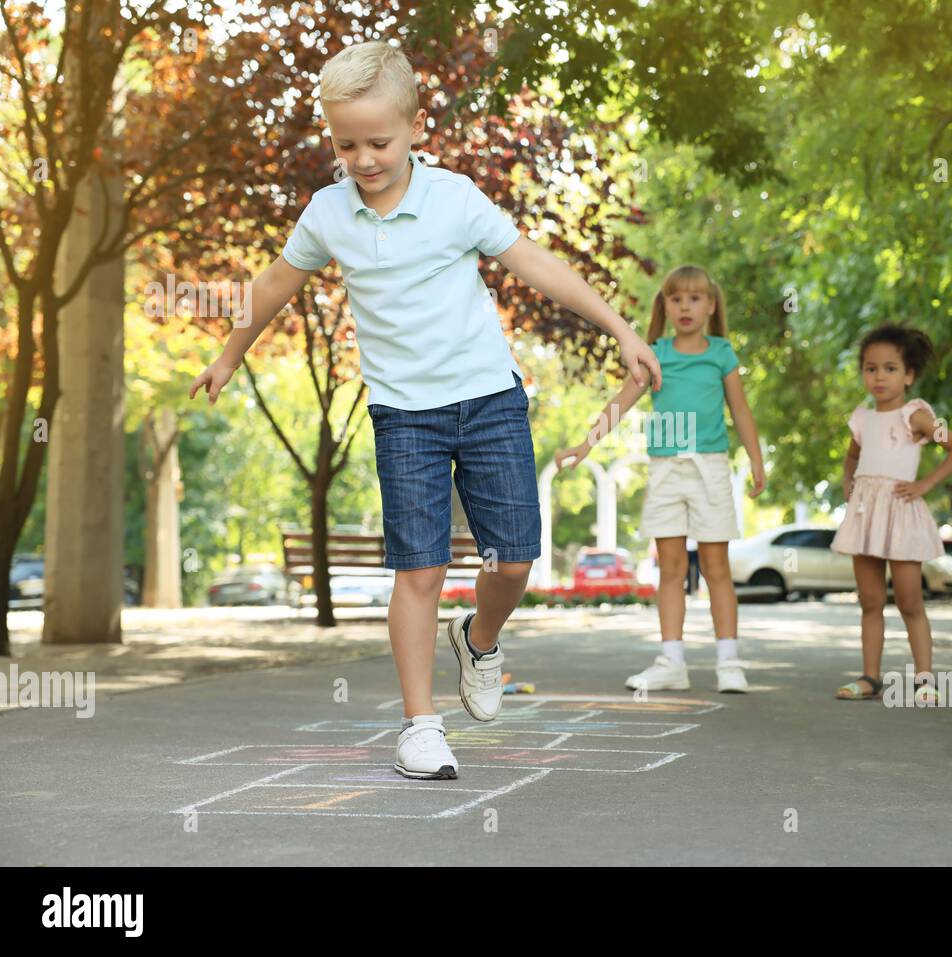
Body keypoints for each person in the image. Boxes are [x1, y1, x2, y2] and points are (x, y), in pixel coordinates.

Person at [189, 40, 661, 779]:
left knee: (514, 558)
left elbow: (537, 264)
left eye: (379, 141)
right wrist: (229, 352)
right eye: (347, 143)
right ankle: (419, 724)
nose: (364, 158)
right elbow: (276, 282)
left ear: (414, 127)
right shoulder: (328, 214)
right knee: (420, 568)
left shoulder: (455, 199)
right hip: (405, 414)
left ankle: (478, 637)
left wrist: (622, 328)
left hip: (490, 399)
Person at [555, 265, 765, 693]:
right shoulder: (655, 353)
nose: (685, 306)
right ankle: (672, 661)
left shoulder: (721, 353)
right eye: (676, 298)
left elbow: (740, 411)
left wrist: (757, 460)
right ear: (665, 306)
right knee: (670, 570)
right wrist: (585, 444)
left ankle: (729, 662)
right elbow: (621, 402)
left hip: (710, 467)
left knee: (715, 567)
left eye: (694, 298)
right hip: (666, 471)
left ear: (710, 306)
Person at [830, 323, 952, 703]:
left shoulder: (916, 415)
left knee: (910, 601)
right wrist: (849, 484)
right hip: (865, 515)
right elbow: (852, 457)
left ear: (908, 375)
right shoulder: (860, 418)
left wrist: (924, 485)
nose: (879, 376)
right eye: (870, 368)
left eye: (890, 368)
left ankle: (925, 680)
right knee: (871, 600)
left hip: (902, 512)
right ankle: (870, 677)